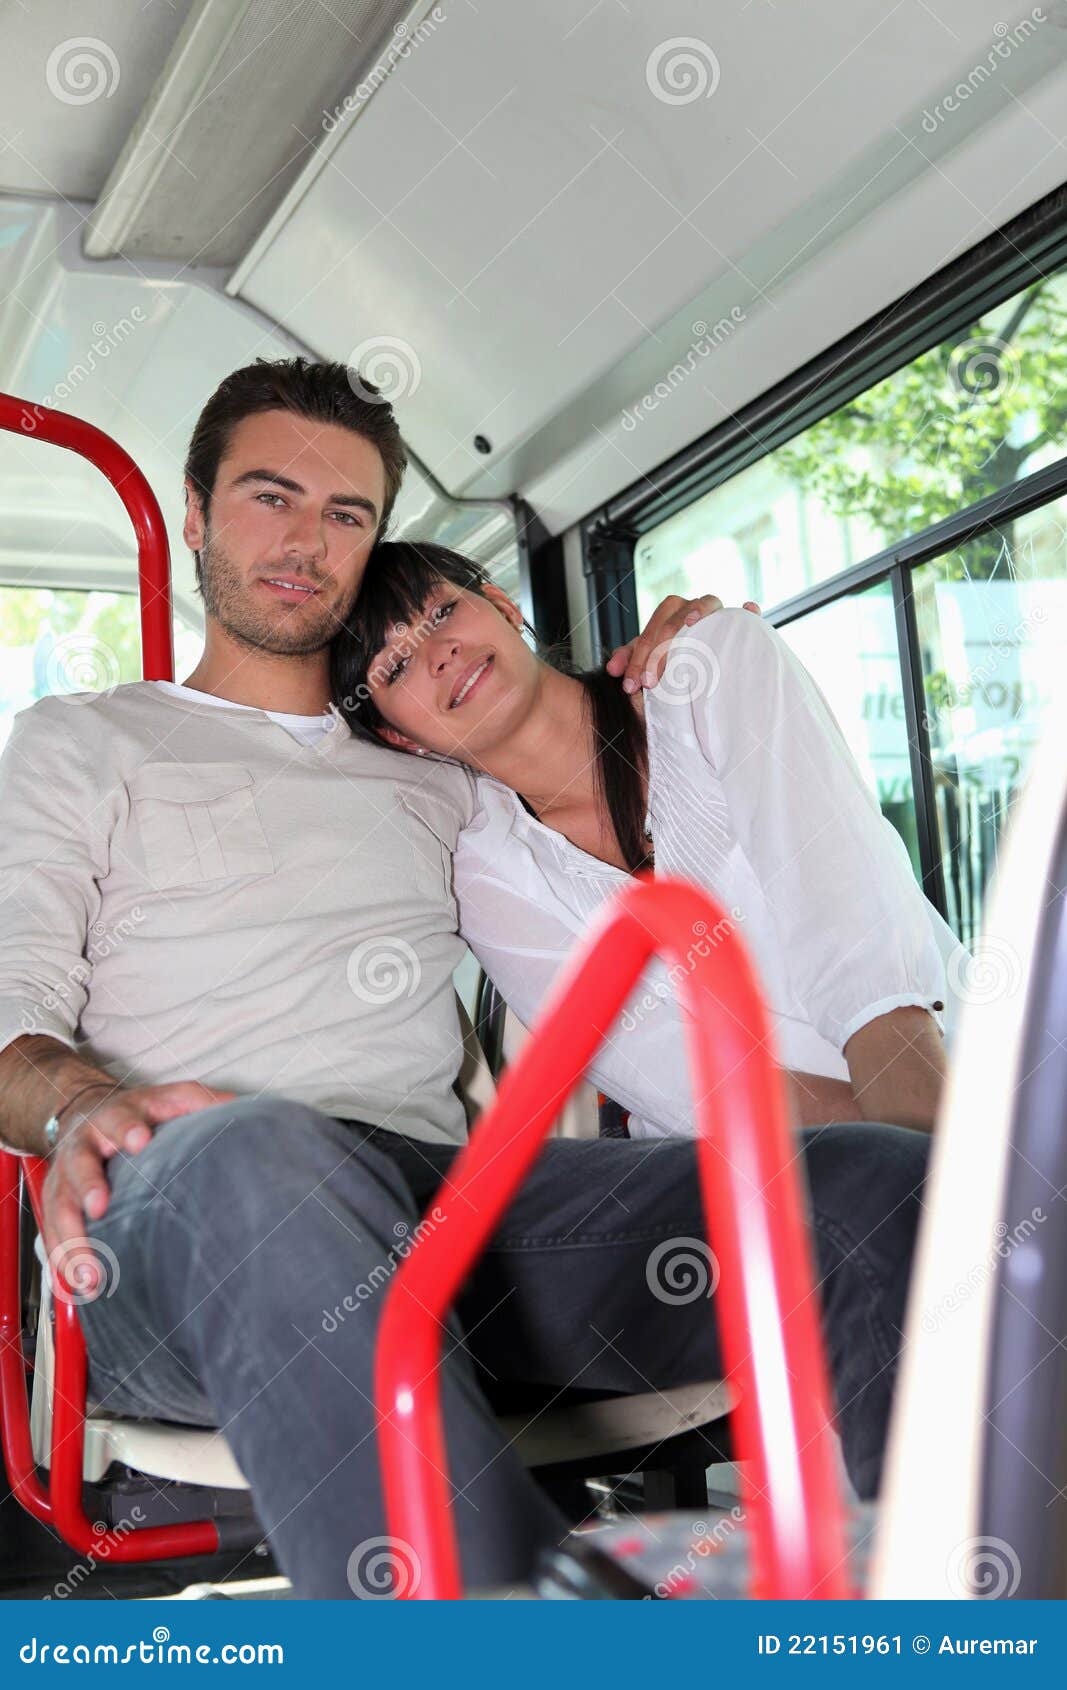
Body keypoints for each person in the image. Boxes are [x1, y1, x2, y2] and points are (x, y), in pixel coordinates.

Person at [0, 358, 929, 1598]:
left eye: (347, 516)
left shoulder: (434, 775)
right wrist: (76, 1107)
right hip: (179, 1203)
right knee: (264, 1150)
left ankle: (959, 1606)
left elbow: (565, 740)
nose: (306, 544)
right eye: (271, 497)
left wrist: (677, 648)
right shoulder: (82, 740)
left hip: (448, 1217)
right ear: (197, 507)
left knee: (873, 1180)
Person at [333, 541, 960, 1136]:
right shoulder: (483, 874)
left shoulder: (710, 664)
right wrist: (885, 1166)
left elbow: (851, 917)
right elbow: (679, 1080)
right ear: (400, 739)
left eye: (442, 611)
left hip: (953, 1078)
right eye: (397, 666)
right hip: (761, 1188)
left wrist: (940, 1143)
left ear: (502, 605)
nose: (438, 650)